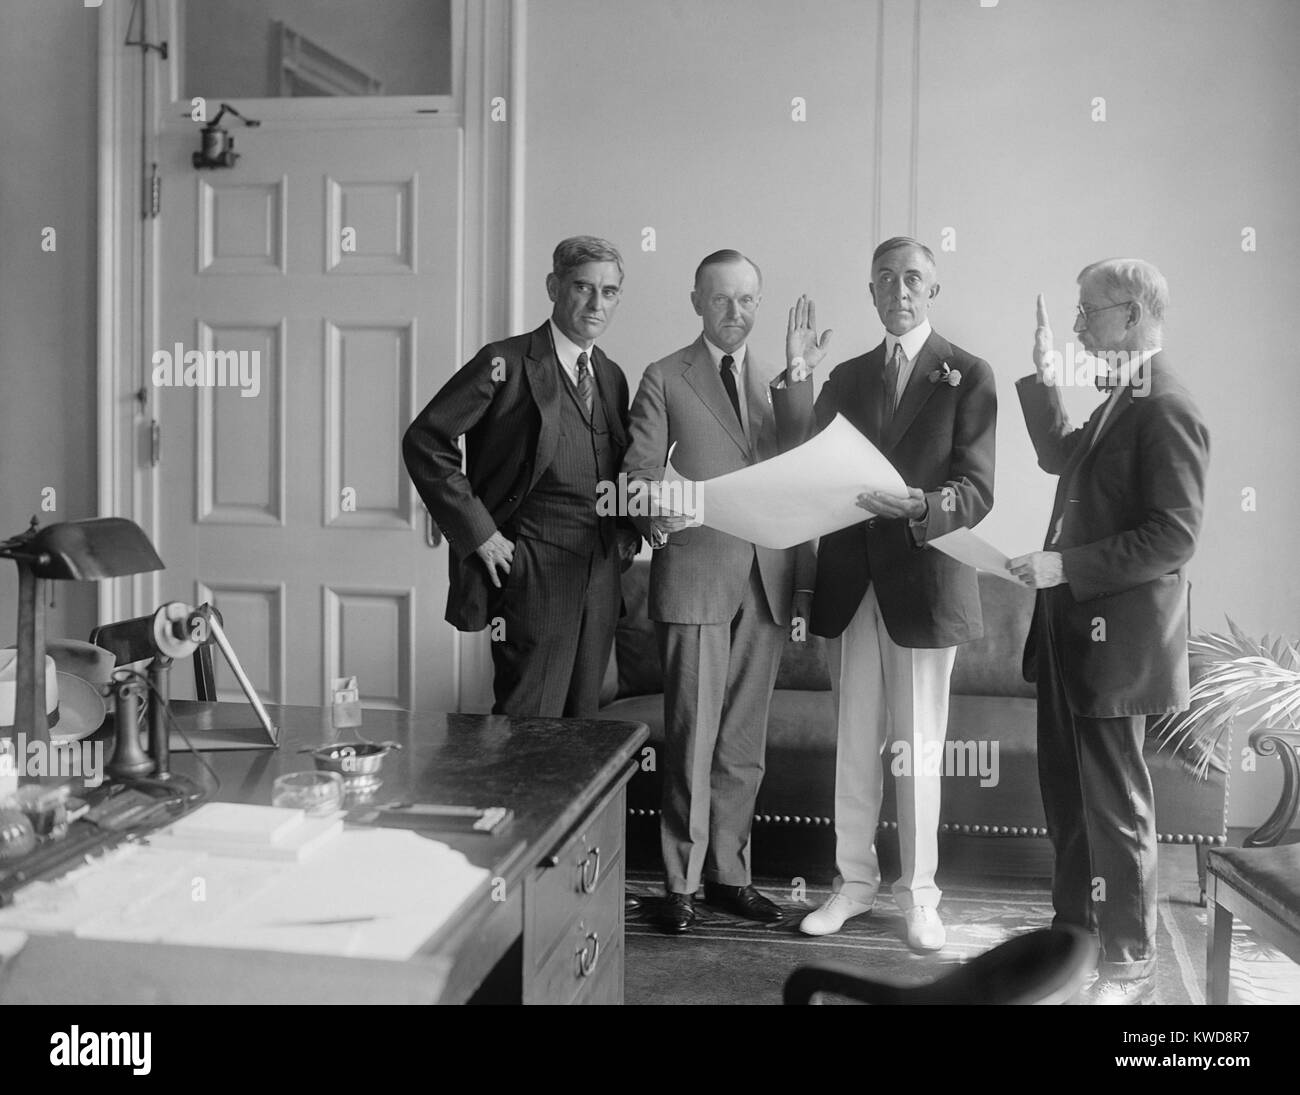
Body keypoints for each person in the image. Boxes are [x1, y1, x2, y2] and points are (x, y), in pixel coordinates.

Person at [774, 237, 996, 951]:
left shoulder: (969, 374)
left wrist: (923, 506)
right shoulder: (845, 375)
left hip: (924, 584)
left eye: (913, 279)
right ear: (870, 293)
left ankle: (920, 896)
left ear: (934, 288)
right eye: (886, 279)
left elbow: (977, 489)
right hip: (850, 583)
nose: (900, 290)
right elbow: (801, 466)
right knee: (856, 745)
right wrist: (799, 375)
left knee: (919, 752)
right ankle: (853, 884)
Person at [1008, 259, 1209, 1004]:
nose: (1077, 326)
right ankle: (1074, 938)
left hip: (1114, 643)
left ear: (1130, 316)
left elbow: (1173, 536)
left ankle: (1125, 959)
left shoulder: (1166, 406)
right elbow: (1064, 458)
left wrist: (1064, 567)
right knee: (1067, 796)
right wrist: (1040, 377)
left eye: (1088, 312)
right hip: (1072, 635)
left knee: (1115, 807)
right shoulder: (1127, 396)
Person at [622, 250, 813, 934]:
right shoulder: (663, 375)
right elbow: (638, 474)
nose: (737, 313)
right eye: (723, 299)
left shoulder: (779, 382)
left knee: (742, 744)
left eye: (748, 300)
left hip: (766, 581)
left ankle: (730, 875)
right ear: (697, 301)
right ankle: (678, 884)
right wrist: (656, 507)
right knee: (691, 740)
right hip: (696, 577)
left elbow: (801, 469)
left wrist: (799, 378)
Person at [402, 235, 639, 719]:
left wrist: (629, 535)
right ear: (554, 286)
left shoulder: (611, 376)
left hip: (599, 576)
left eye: (609, 291)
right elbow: (426, 440)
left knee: (583, 731)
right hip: (532, 572)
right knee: (528, 729)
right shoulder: (504, 361)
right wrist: (480, 534)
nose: (596, 303)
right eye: (582, 287)